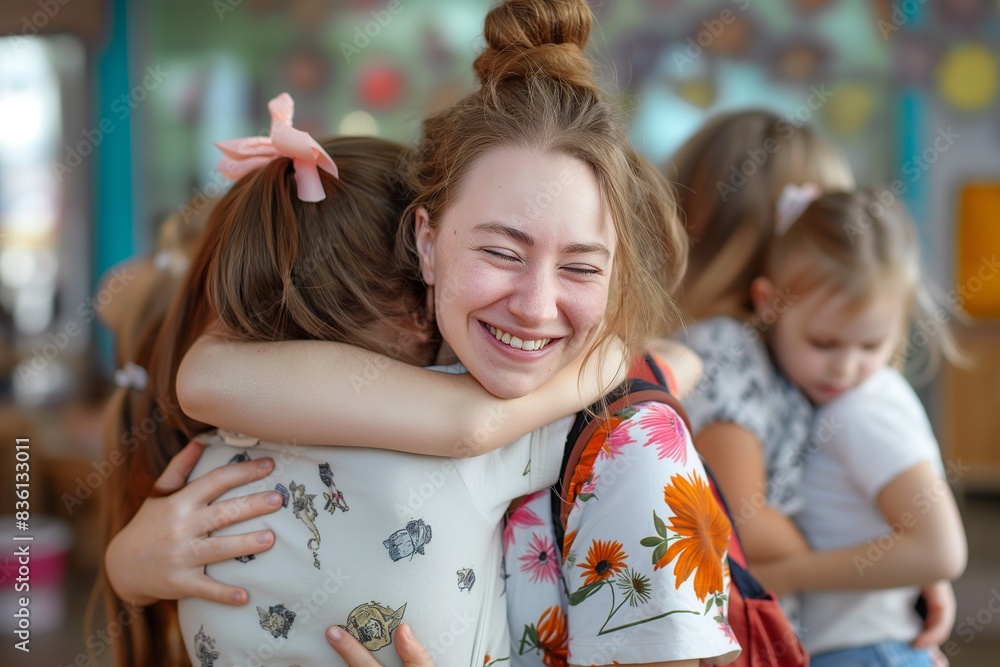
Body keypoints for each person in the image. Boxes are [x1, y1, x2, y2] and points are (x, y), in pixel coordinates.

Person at [107, 1, 739, 665]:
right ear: (425, 245)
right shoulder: (486, 421)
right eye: (500, 251)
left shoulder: (632, 445)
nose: (534, 304)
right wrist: (130, 561)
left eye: (581, 265)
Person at [743, 188, 967, 667]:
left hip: (866, 652)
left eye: (870, 345)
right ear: (767, 303)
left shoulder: (863, 409)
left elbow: (941, 550)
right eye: (824, 342)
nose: (844, 368)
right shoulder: (842, 402)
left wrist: (790, 573)